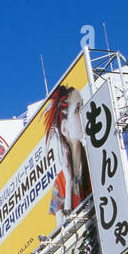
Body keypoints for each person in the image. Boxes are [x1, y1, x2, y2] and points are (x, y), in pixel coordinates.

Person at [44, 84, 92, 221]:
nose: (84, 113)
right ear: (64, 129)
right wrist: (69, 183)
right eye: (77, 109)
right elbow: (62, 234)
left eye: (83, 106)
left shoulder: (95, 155)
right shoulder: (60, 182)